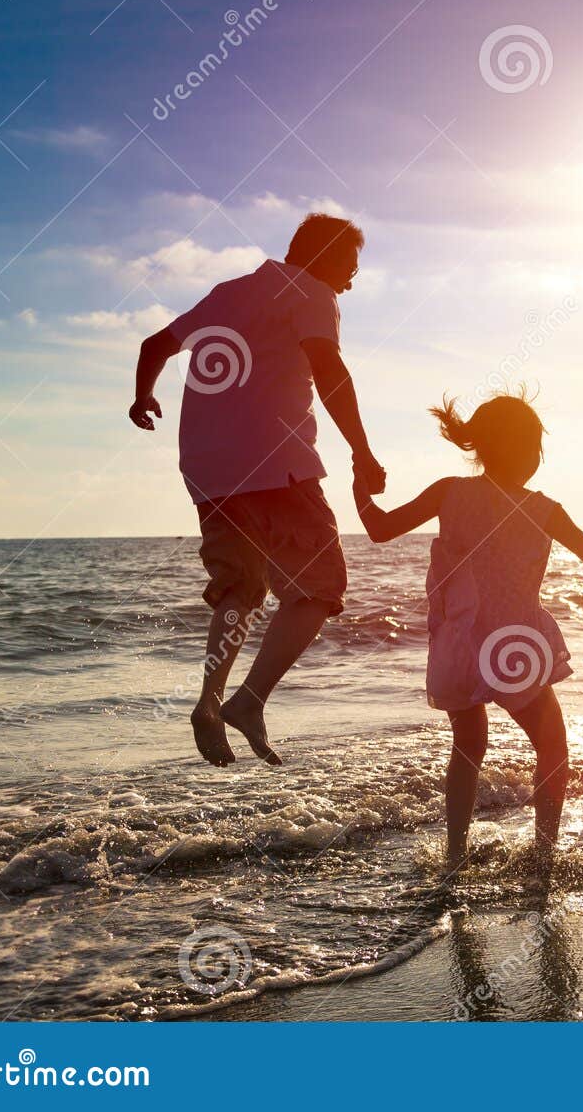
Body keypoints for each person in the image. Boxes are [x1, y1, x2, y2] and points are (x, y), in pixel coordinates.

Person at [353, 391, 583, 878]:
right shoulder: (544, 509)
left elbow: (380, 529)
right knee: (552, 743)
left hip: (459, 647)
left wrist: (358, 484)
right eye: (536, 446)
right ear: (524, 450)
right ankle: (543, 853)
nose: (538, 456)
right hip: (515, 647)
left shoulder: (448, 491)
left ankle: (454, 858)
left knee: (469, 746)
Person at [129, 213, 386, 768]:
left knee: (239, 589)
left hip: (209, 472)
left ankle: (208, 700)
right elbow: (330, 368)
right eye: (350, 265)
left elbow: (155, 345)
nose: (351, 279)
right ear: (323, 256)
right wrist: (362, 451)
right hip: (279, 462)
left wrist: (142, 398)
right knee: (321, 587)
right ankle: (248, 700)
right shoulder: (312, 291)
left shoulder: (229, 292)